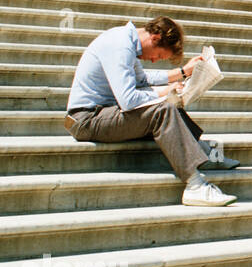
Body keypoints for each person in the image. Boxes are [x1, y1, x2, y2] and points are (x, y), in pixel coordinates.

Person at [64, 15, 236, 206]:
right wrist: (163, 93)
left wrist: (183, 73)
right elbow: (128, 100)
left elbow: (143, 79)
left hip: (104, 112)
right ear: (154, 39)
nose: (154, 60)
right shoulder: (120, 45)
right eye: (160, 56)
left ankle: (201, 156)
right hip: (87, 119)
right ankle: (195, 186)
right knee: (163, 110)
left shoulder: (127, 42)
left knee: (171, 106)